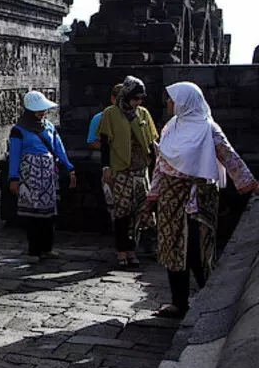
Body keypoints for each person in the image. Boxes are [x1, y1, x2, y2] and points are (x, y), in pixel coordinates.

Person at [147, 83, 258, 318]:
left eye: (172, 99)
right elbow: (161, 164)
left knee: (199, 249)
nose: (168, 103)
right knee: (172, 247)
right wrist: (153, 194)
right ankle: (179, 301)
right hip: (171, 197)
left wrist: (250, 183)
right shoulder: (171, 128)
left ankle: (209, 300)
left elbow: (229, 156)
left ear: (185, 102)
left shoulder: (208, 129)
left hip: (198, 197)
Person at [8, 91, 76, 263]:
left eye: (43, 110)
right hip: (29, 175)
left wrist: (69, 167)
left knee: (49, 213)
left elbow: (58, 148)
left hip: (47, 175)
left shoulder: (49, 127)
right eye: (39, 110)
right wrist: (13, 178)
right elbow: (14, 155)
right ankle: (34, 250)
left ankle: (47, 248)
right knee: (32, 214)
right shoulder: (18, 130)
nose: (42, 113)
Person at [98, 76, 159, 268]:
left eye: (141, 99)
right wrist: (106, 167)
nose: (138, 102)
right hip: (120, 169)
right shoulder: (110, 113)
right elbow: (105, 144)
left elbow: (151, 142)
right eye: (135, 98)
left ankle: (133, 249)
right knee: (122, 212)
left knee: (140, 212)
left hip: (140, 169)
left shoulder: (143, 114)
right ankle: (121, 251)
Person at [87, 84, 124, 150]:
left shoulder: (139, 118)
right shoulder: (99, 118)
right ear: (113, 99)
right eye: (121, 100)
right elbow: (92, 142)